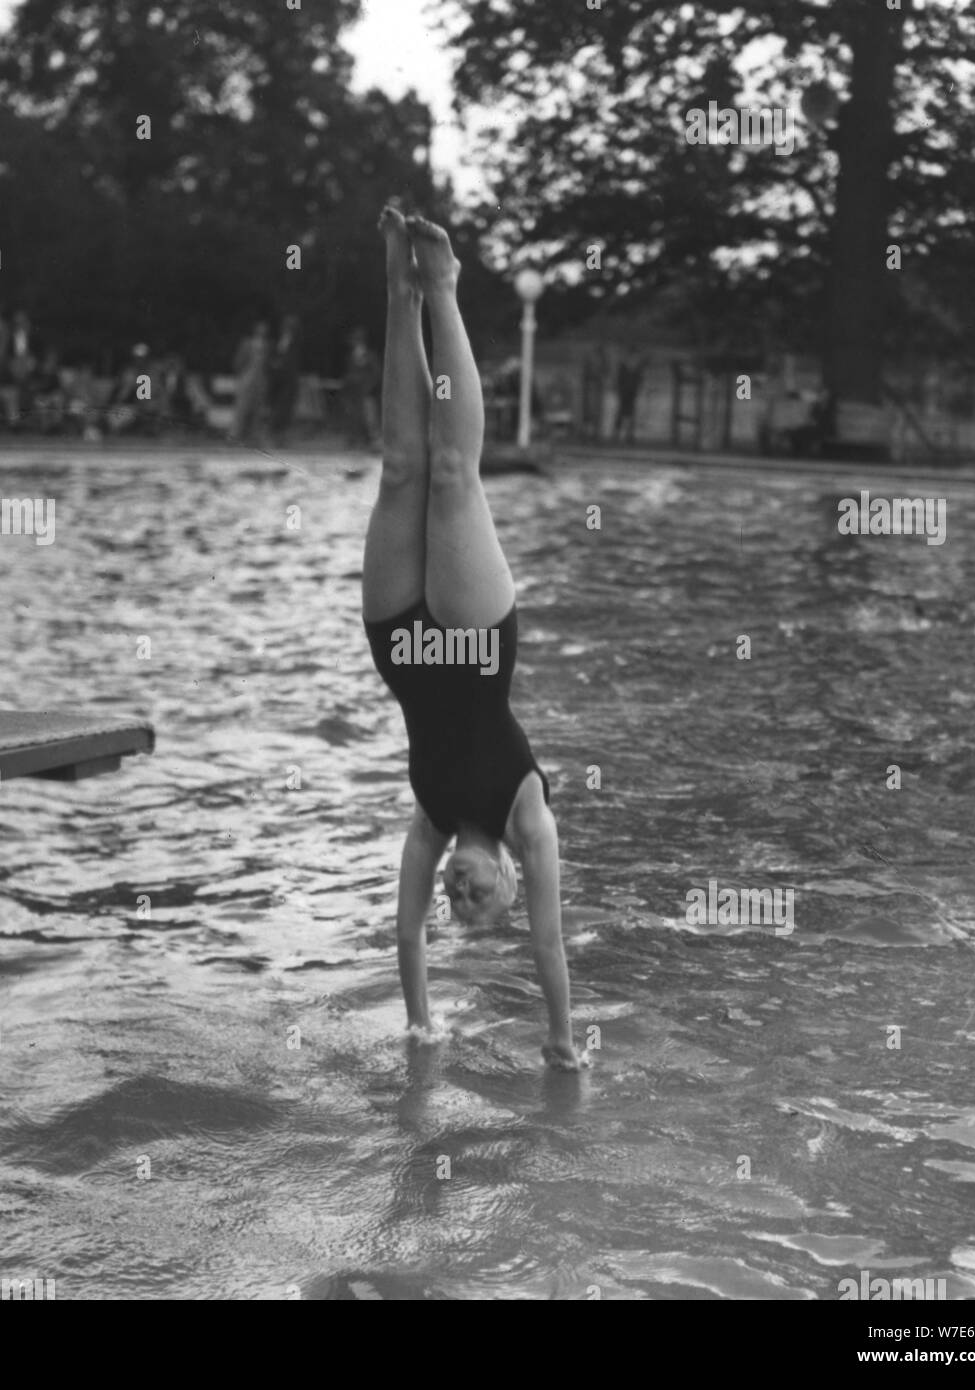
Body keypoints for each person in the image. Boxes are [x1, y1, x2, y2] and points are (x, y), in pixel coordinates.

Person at [363, 206, 582, 1070]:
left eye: (456, 896)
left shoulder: (431, 821)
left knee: (401, 466)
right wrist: (562, 1044)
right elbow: (552, 947)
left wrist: (421, 1027)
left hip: (401, 648)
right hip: (473, 639)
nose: (458, 889)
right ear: (513, 885)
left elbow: (406, 934)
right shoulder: (529, 819)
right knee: (452, 476)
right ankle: (444, 290)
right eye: (478, 898)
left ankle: (395, 291)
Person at [229, 321, 270, 443]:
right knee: (241, 409)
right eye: (260, 329)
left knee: (257, 411)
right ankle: (235, 436)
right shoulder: (247, 343)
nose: (262, 331)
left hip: (260, 381)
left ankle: (253, 437)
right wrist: (241, 377)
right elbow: (238, 361)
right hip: (246, 380)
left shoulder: (267, 346)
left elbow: (266, 366)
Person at [343, 326, 380, 447]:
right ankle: (354, 439)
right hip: (353, 391)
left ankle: (370, 440)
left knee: (369, 417)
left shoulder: (369, 355)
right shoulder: (351, 356)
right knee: (353, 415)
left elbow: (376, 373)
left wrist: (368, 386)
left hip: (366, 391)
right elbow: (349, 372)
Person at [269, 314, 303, 444]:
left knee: (285, 409)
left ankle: (281, 436)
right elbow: (272, 357)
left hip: (289, 380)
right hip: (277, 380)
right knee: (276, 408)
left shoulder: (296, 341)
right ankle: (274, 435)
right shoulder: (277, 341)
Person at [614, 348, 644, 442]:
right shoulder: (624, 366)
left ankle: (628, 434)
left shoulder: (635, 367)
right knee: (622, 412)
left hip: (631, 392)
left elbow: (639, 379)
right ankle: (619, 433)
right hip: (625, 392)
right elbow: (620, 380)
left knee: (629, 413)